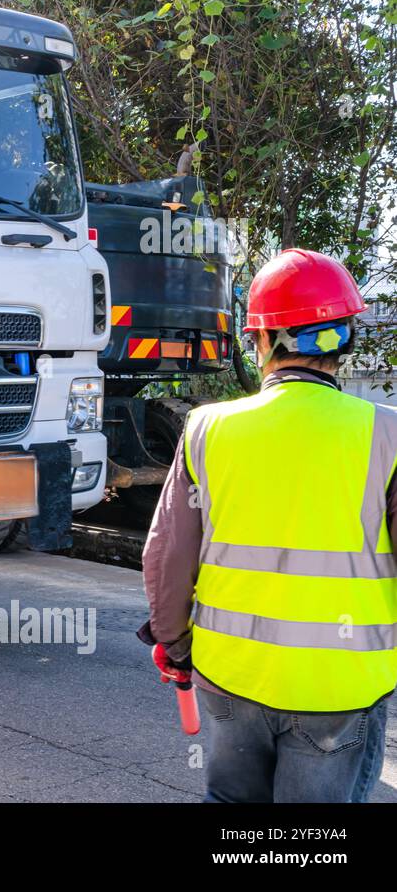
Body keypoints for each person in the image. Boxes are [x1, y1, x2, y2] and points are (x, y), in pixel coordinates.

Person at [142, 247, 393, 803]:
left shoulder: (207, 428)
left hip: (230, 675)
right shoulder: (386, 434)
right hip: (338, 689)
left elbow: (166, 556)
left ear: (260, 342)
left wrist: (172, 641)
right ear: (344, 340)